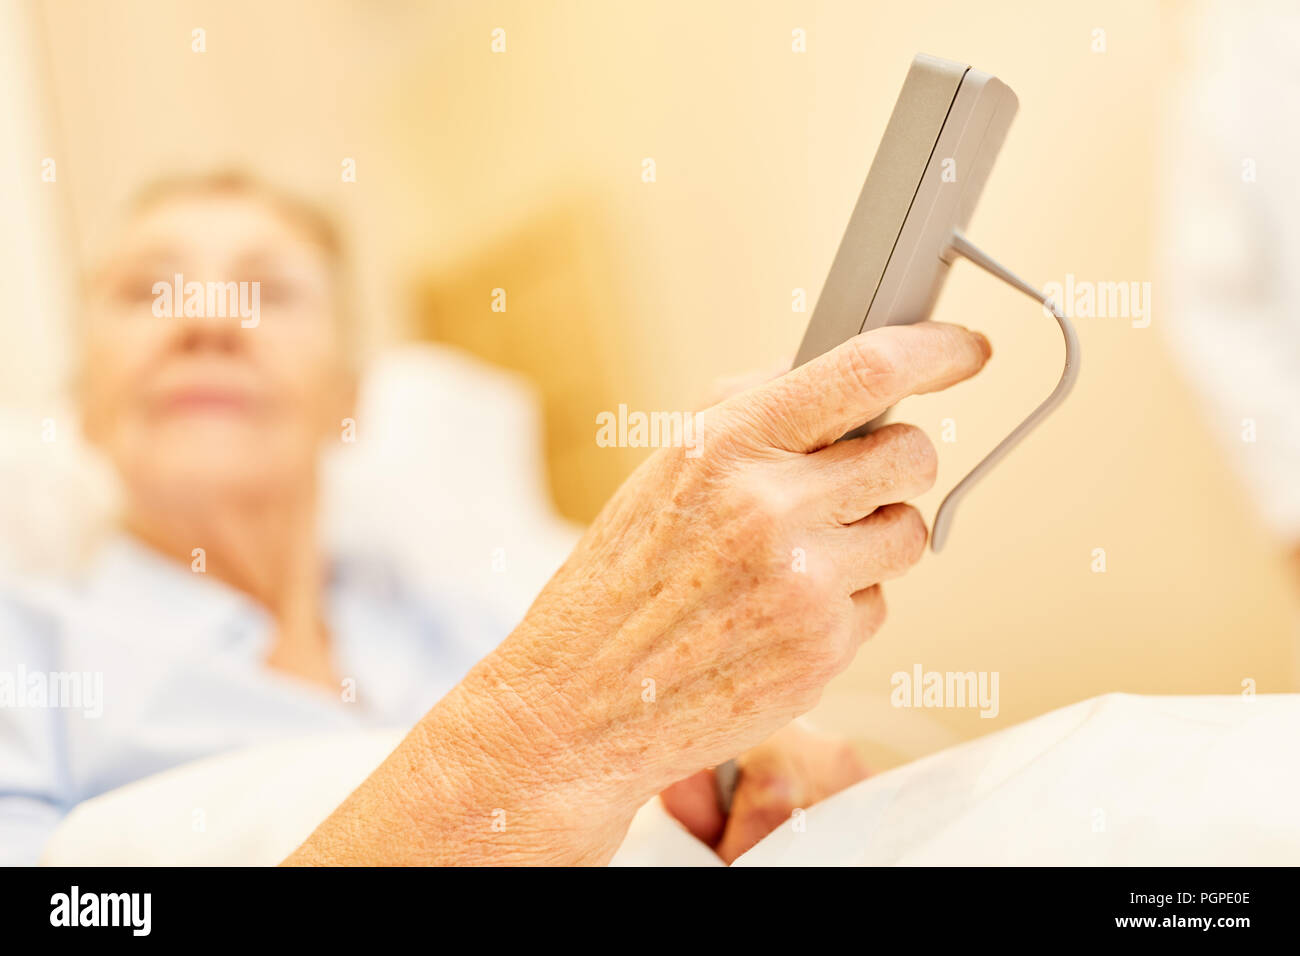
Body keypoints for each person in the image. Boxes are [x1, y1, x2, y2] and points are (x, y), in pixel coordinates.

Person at [0, 173, 991, 866]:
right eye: (147, 290)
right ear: (83, 394)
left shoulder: (476, 623)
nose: (207, 318)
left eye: (267, 290)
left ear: (348, 393)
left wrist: (760, 774)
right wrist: (540, 734)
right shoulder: (28, 662)